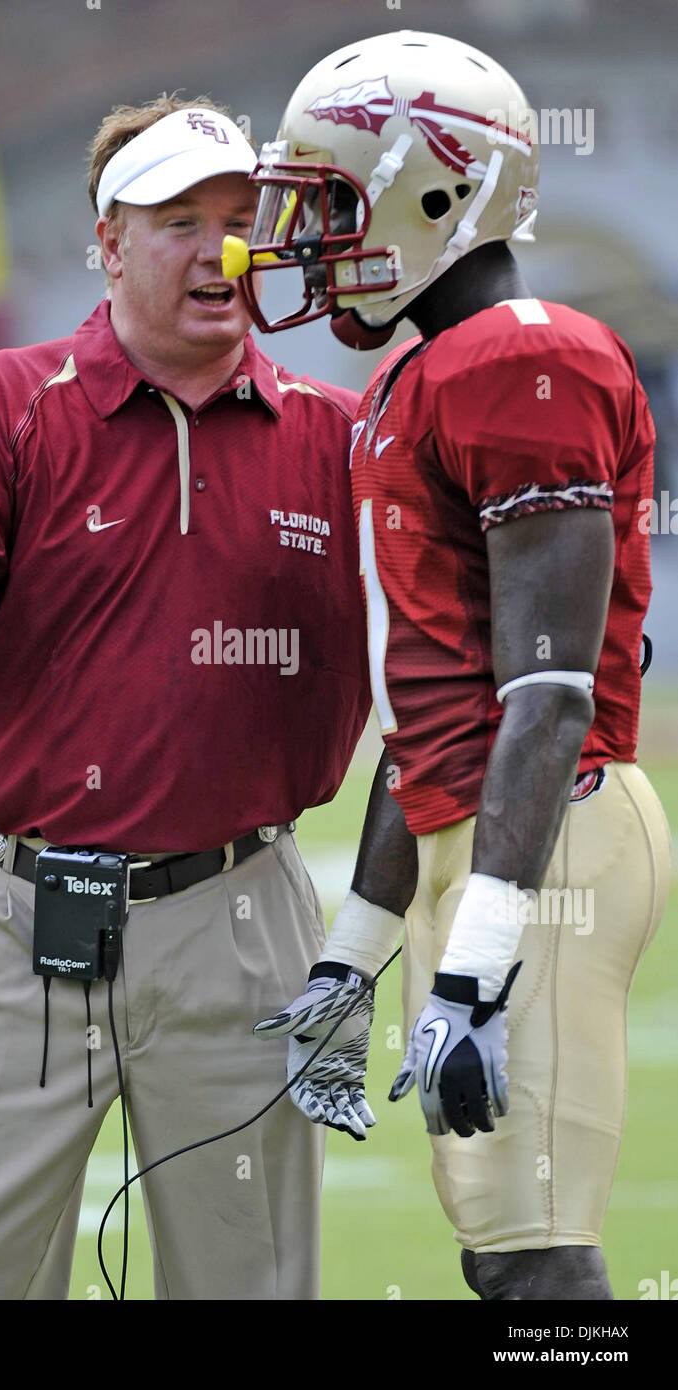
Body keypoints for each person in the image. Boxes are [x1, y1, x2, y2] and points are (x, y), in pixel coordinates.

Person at [0, 95, 371, 1301]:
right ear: (108, 243)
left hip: (243, 916)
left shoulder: (341, 437)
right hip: (9, 915)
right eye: (178, 219)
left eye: (240, 220)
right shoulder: (0, 397)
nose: (217, 248)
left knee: (252, 1288)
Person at [241, 31, 672, 1299]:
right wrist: (350, 956)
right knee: (499, 1250)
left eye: (327, 205)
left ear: (432, 193)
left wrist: (479, 958)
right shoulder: (415, 372)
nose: (304, 241)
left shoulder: (517, 355)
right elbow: (425, 713)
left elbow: (547, 694)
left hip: (551, 835)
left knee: (534, 1253)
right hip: (484, 833)